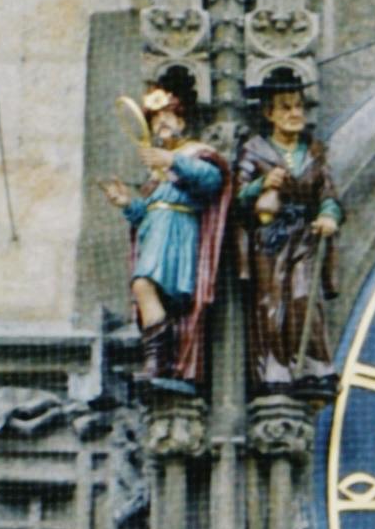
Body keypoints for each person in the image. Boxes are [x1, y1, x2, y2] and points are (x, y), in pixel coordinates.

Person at [105, 64, 229, 391]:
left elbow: (212, 180)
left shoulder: (196, 154)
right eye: (156, 121)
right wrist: (127, 204)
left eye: (167, 119)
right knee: (146, 289)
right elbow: (145, 214)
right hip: (156, 233)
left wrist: (171, 161)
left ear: (182, 122)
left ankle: (160, 360)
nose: (161, 125)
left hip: (179, 234)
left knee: (145, 285)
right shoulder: (156, 174)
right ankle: (161, 362)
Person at [238, 66, 341, 390]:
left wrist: (328, 214)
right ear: (269, 113)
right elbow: (237, 197)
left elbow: (328, 192)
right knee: (272, 303)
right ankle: (274, 368)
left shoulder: (313, 153)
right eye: (286, 107)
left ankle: (313, 366)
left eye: (298, 106)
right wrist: (260, 186)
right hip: (270, 237)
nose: (295, 113)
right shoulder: (255, 150)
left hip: (305, 235)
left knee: (302, 295)